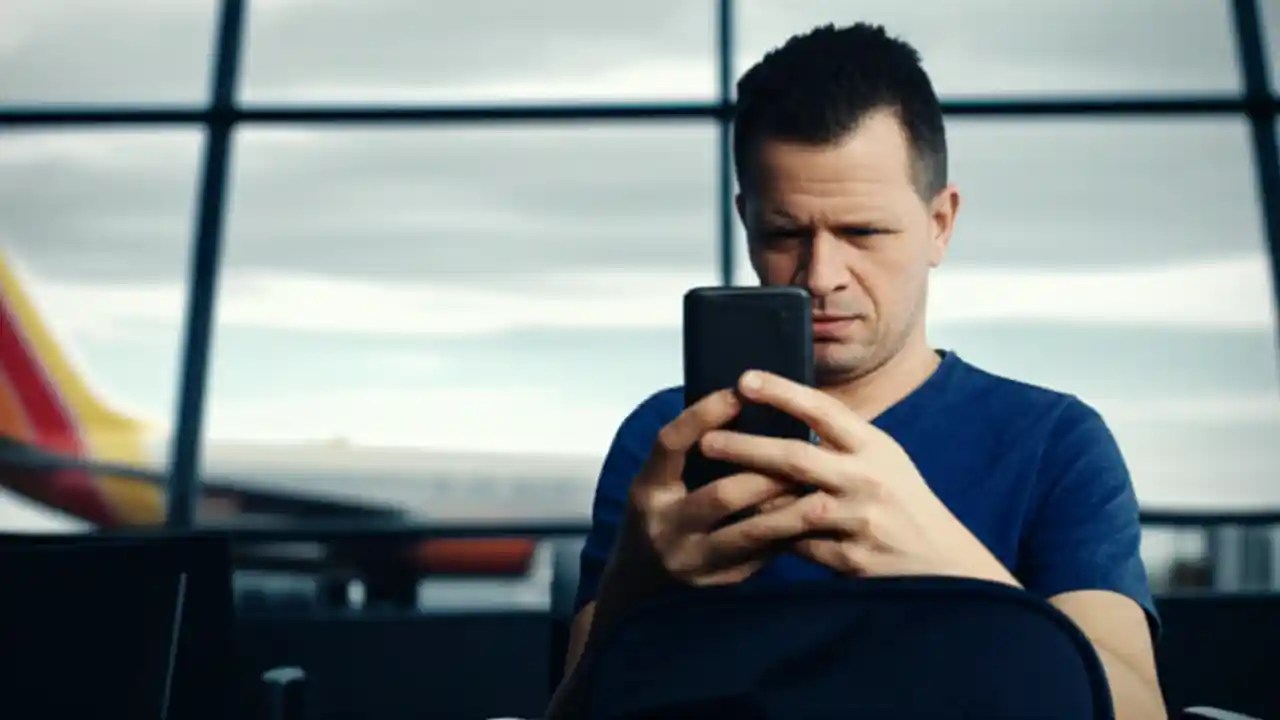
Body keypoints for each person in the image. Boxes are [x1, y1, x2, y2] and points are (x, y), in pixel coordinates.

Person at [547, 22, 1164, 719]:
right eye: (784, 234)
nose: (821, 276)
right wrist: (635, 591)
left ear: (940, 223)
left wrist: (944, 559)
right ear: (746, 221)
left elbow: (1140, 710)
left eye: (864, 233)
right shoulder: (670, 436)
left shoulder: (1054, 441)